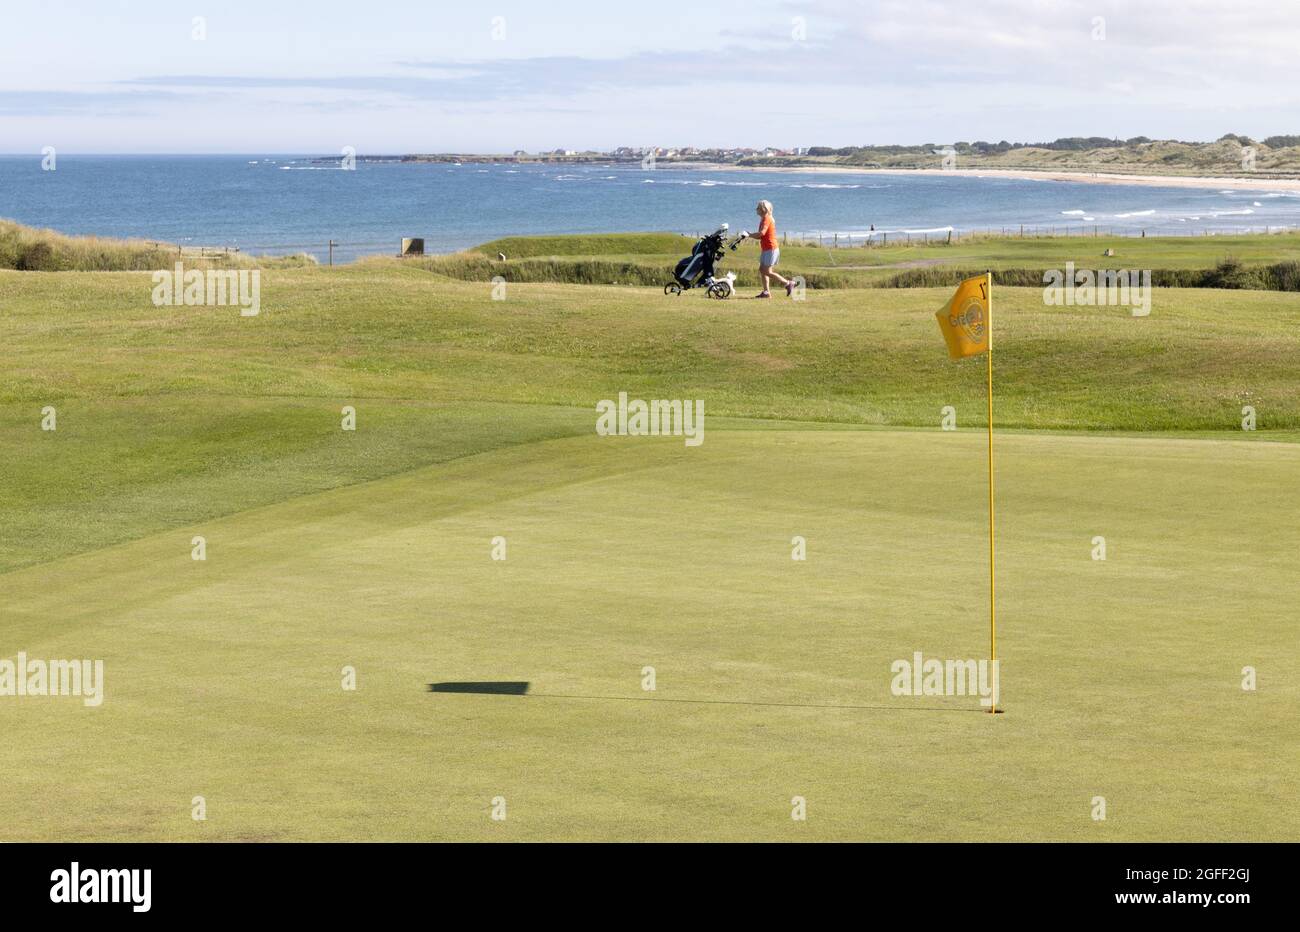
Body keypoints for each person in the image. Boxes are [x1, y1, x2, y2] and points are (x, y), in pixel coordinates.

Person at [750, 200, 794, 298]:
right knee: (762, 269)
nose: (756, 209)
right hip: (766, 248)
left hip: (771, 248)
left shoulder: (767, 219)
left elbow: (761, 233)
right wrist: (750, 235)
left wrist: (749, 235)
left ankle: (788, 283)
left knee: (767, 271)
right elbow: (761, 235)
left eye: (758, 207)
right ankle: (766, 292)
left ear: (763, 209)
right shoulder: (763, 219)